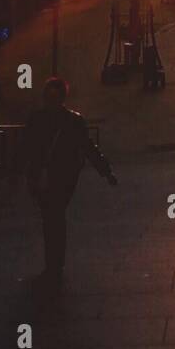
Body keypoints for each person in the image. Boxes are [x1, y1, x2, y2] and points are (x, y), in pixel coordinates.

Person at [23, 76, 117, 292]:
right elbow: (88, 147)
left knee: (51, 217)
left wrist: (17, 171)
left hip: (51, 177)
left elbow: (25, 147)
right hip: (60, 176)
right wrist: (106, 171)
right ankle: (55, 264)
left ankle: (53, 266)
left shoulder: (38, 119)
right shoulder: (72, 120)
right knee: (53, 217)